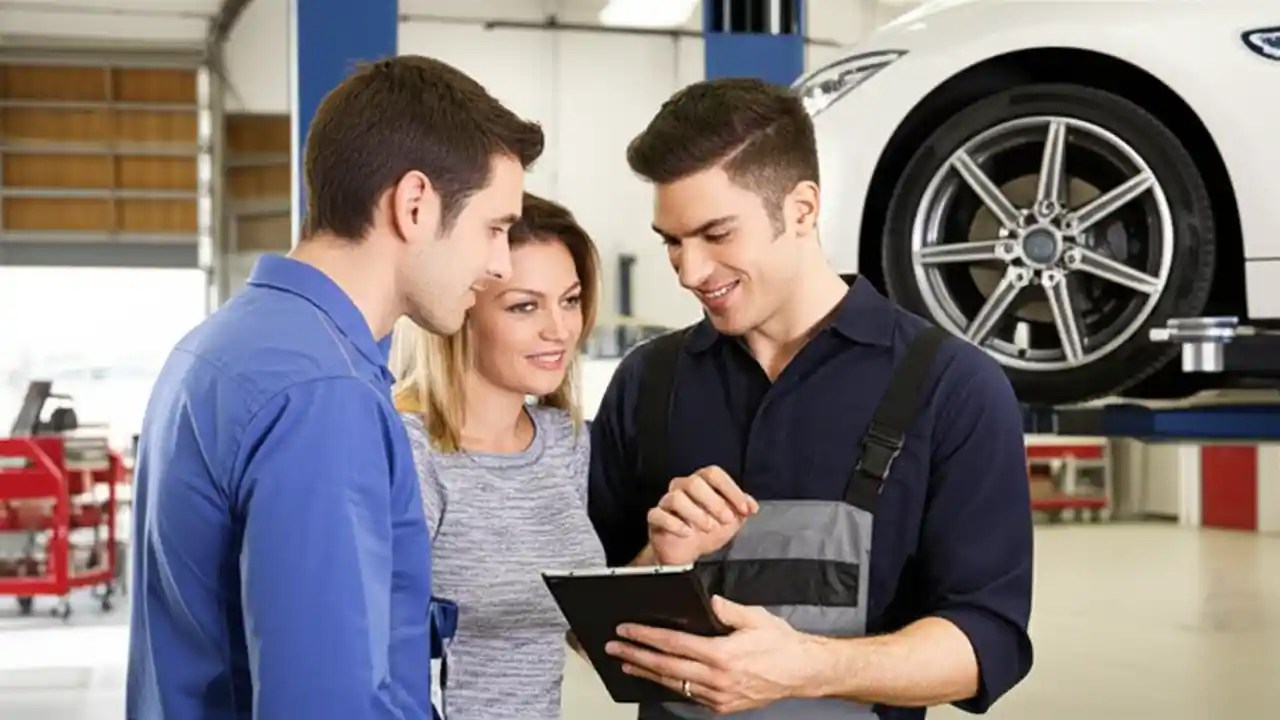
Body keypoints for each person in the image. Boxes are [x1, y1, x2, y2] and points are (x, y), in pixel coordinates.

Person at [588, 78, 1034, 719]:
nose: (689, 272)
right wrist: (657, 558)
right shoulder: (646, 383)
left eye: (716, 234)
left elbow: (988, 642)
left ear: (801, 209)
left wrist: (810, 668)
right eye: (672, 242)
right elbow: (586, 628)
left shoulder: (952, 388)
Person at [126, 56, 544, 720]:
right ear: (414, 204)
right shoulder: (323, 393)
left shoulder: (225, 346)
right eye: (495, 227)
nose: (499, 264)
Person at [390, 192, 606, 720]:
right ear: (461, 308)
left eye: (570, 300)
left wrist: (667, 555)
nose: (559, 329)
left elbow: (587, 633)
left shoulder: (566, 442)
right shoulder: (410, 450)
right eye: (524, 306)